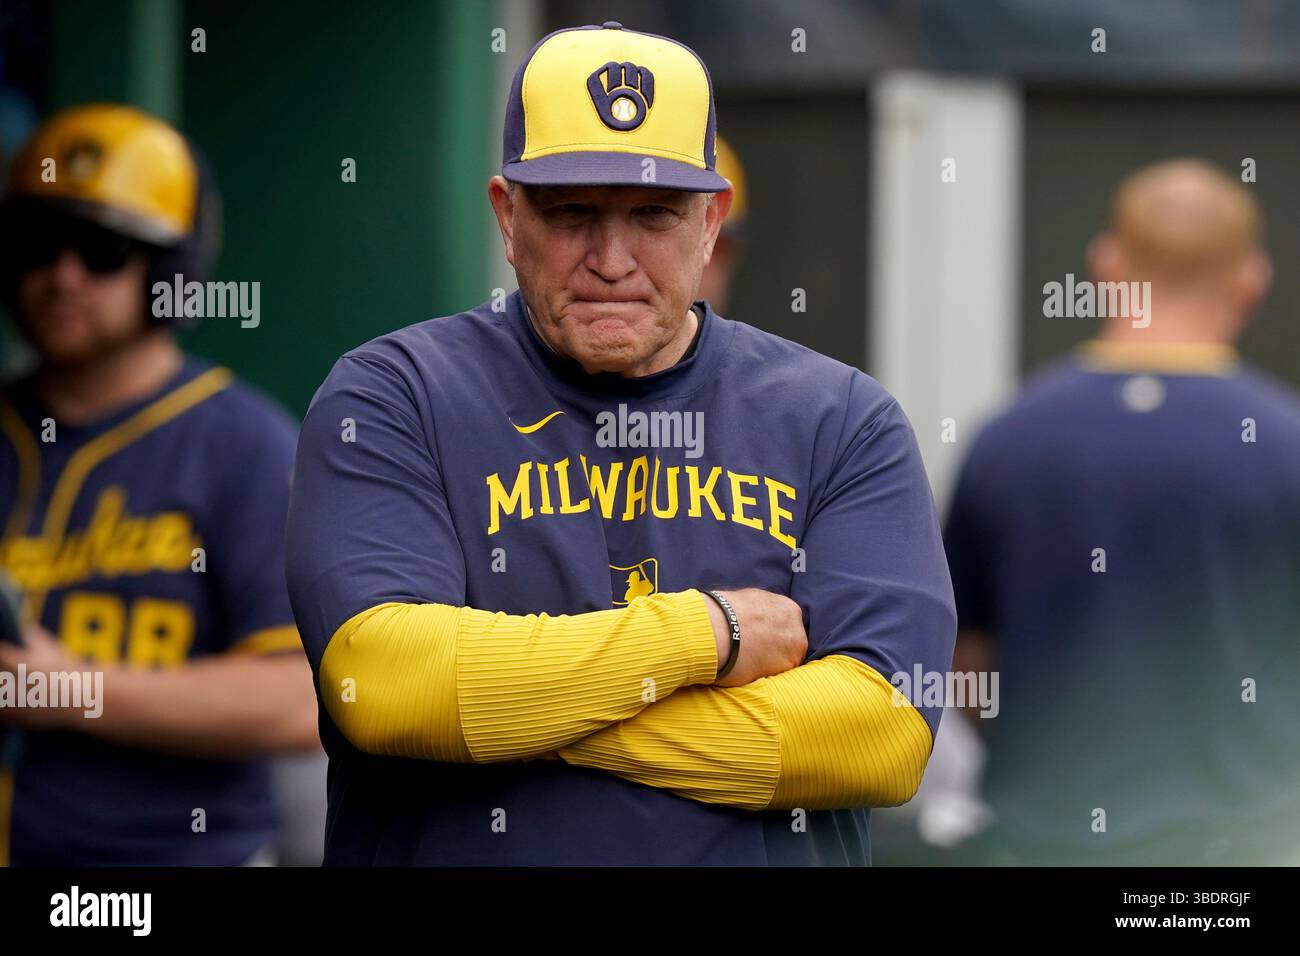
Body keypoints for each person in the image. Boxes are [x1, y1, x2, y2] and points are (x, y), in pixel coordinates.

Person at [286, 21, 955, 866]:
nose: (611, 258)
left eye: (652, 215)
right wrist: (707, 634)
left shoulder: (840, 418)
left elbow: (880, 736)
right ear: (507, 213)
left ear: (712, 222)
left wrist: (507, 709)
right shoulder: (395, 395)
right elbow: (382, 686)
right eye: (571, 214)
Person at [944, 158, 1300, 865]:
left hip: (1042, 843)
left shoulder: (1009, 437)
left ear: (1107, 265)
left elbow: (962, 662)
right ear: (1251, 279)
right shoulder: (1285, 443)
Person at [0, 103, 319, 865]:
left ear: (168, 271)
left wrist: (67, 689)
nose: (63, 275)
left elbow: (304, 702)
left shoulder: (242, 443)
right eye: (41, 244)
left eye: (102, 249)